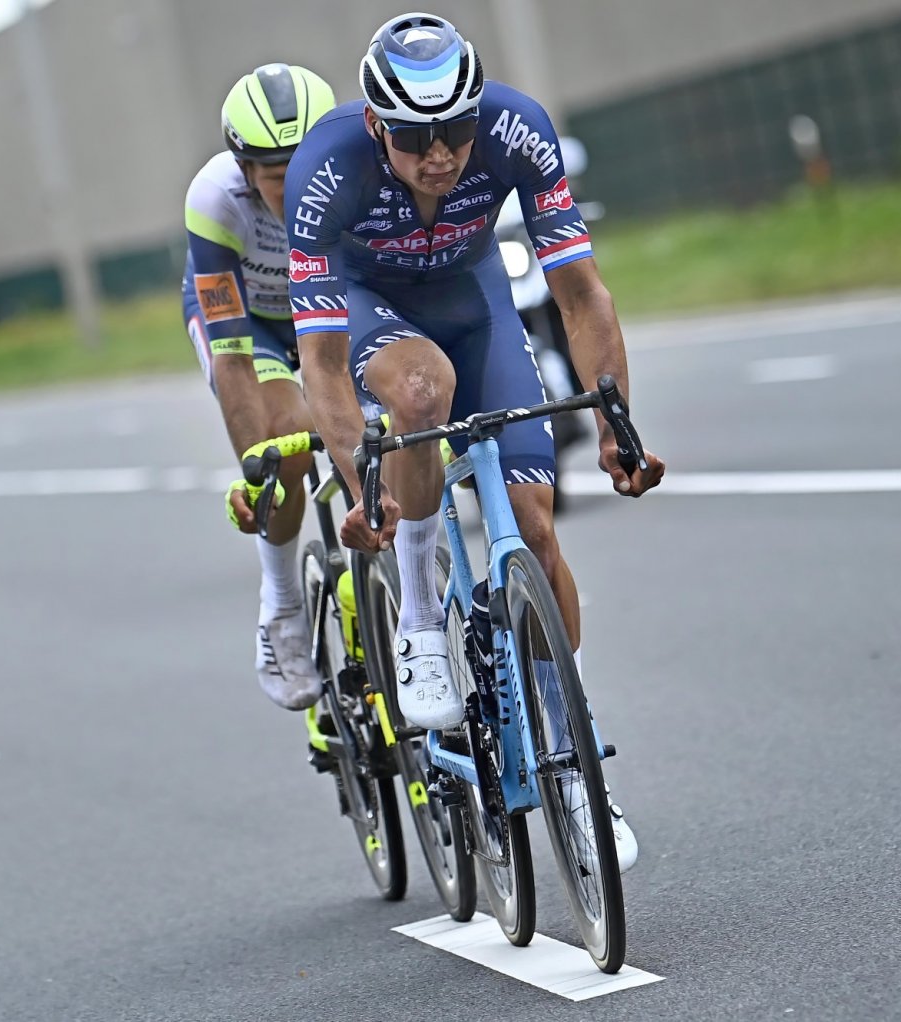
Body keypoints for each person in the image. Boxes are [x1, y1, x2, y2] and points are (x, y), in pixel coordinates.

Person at [281, 13, 666, 870]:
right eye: (416, 138)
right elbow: (322, 364)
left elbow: (581, 297)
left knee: (533, 523)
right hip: (371, 305)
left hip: (473, 298)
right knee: (423, 393)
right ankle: (418, 611)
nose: (441, 155)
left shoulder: (517, 129)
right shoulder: (324, 170)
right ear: (378, 126)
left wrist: (615, 422)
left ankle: (572, 757)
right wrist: (361, 488)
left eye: (456, 130)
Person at [182, 62, 336, 711]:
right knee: (291, 449)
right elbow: (234, 358)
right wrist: (256, 470)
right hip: (254, 328)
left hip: (326, 307)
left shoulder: (354, 163)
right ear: (245, 169)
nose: (299, 186)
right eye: (279, 175)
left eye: (308, 164)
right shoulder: (214, 199)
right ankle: (282, 609)